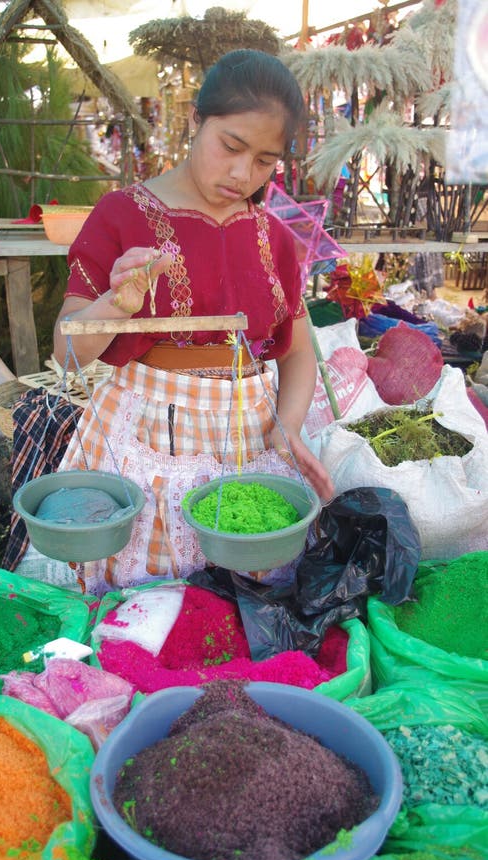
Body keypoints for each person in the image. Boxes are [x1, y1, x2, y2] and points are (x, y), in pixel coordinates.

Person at [52, 48, 334, 595]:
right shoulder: (122, 215)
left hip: (251, 437)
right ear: (196, 121)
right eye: (230, 146)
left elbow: (299, 351)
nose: (241, 173)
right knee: (147, 607)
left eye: (264, 161)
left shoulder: (273, 236)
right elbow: (67, 353)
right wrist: (115, 305)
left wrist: (289, 425)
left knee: (241, 601)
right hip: (151, 434)